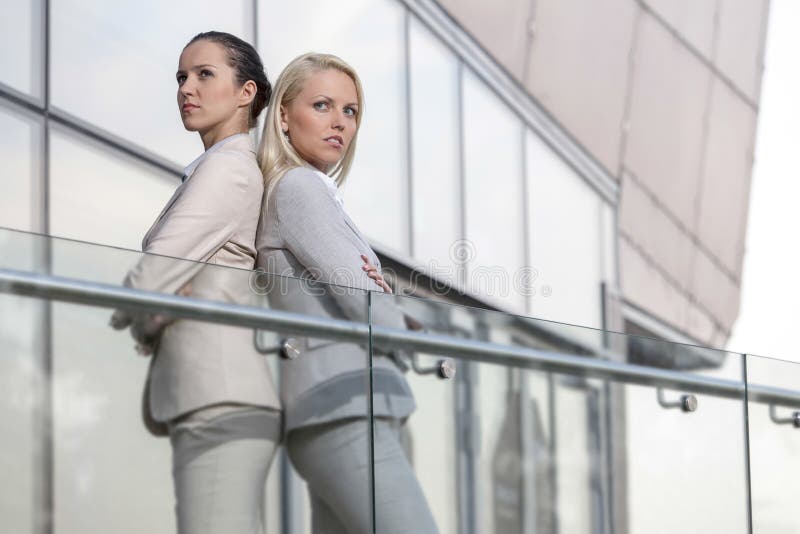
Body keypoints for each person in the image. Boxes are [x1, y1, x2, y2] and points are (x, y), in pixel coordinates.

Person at [255, 52, 438, 534]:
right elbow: (363, 298)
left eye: (350, 111)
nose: (339, 122)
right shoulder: (298, 188)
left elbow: (363, 296)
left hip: (362, 405)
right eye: (322, 105)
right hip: (346, 411)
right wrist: (395, 312)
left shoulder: (316, 195)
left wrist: (386, 302)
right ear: (284, 116)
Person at [110, 31, 280, 534]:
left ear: (246, 93)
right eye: (182, 76)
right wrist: (161, 300)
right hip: (213, 399)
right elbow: (164, 278)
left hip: (220, 399)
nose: (188, 87)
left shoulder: (229, 169)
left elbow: (152, 274)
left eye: (206, 74)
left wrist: (138, 316)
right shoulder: (217, 168)